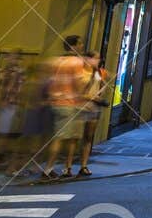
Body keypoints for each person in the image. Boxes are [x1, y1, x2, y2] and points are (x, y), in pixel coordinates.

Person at [41, 36, 91, 181]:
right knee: (59, 138)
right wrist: (84, 98)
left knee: (59, 136)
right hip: (68, 103)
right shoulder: (76, 62)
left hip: (55, 102)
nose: (82, 46)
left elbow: (49, 81)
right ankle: (47, 170)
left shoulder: (56, 61)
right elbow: (78, 83)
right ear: (73, 46)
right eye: (80, 43)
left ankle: (53, 168)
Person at [75, 54, 109, 177]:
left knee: (88, 138)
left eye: (99, 58)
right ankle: (68, 167)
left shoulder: (99, 72)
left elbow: (102, 86)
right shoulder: (81, 72)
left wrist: (101, 92)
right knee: (75, 138)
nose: (98, 60)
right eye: (95, 57)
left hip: (94, 108)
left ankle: (83, 166)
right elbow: (78, 91)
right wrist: (93, 97)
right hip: (81, 107)